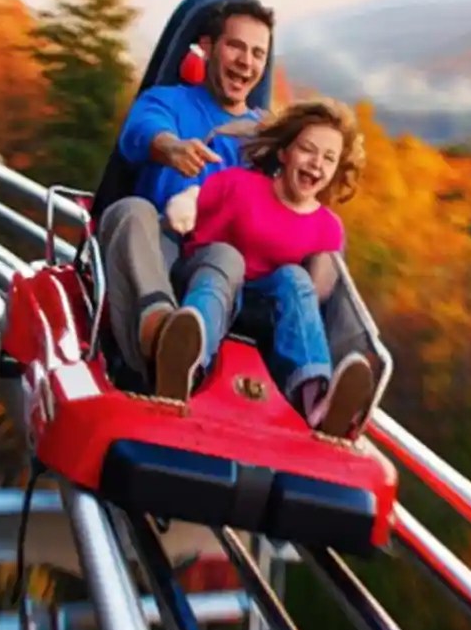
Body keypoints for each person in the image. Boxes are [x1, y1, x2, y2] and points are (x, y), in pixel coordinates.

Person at [97, 0, 375, 400]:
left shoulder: (268, 134)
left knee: (230, 257)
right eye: (236, 47)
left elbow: (297, 195)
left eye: (258, 53)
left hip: (216, 264)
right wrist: (172, 148)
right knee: (132, 210)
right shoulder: (168, 101)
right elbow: (142, 131)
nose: (247, 61)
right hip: (157, 244)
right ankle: (159, 333)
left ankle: (327, 377)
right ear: (208, 49)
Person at [155, 99, 375, 440]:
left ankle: (316, 397)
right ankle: (185, 363)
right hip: (212, 282)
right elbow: (194, 197)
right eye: (308, 150)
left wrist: (318, 286)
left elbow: (314, 294)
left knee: (294, 278)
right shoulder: (241, 185)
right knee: (226, 260)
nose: (316, 164)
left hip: (266, 311)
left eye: (328, 159)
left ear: (336, 169)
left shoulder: (327, 228)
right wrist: (183, 205)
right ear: (285, 153)